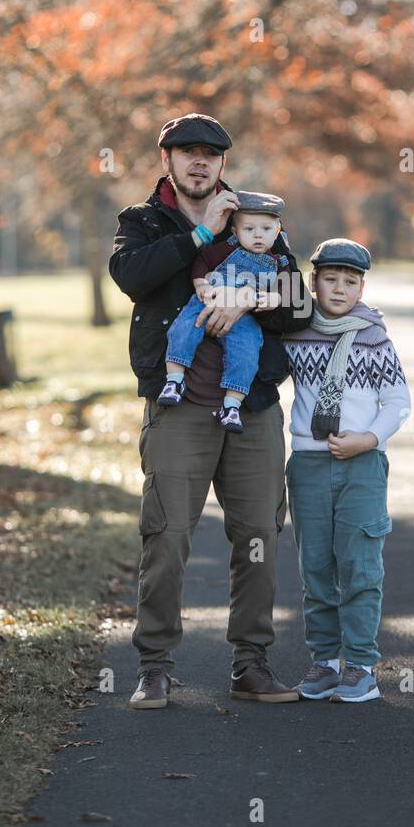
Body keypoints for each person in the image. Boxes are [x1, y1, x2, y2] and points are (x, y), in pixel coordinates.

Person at [109, 114, 313, 709]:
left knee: (258, 536)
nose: (199, 162)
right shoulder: (142, 221)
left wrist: (248, 296)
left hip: (249, 406)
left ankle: (251, 665)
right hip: (178, 405)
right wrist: (200, 238)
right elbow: (132, 276)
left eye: (210, 154)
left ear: (223, 163)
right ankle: (154, 667)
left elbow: (298, 306)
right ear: (166, 159)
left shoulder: (259, 221)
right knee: (167, 534)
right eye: (187, 152)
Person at [283, 240, 411, 703]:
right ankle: (325, 660)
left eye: (350, 282)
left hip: (362, 464)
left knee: (359, 565)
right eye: (330, 279)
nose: (339, 289)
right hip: (309, 463)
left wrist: (368, 439)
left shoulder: (374, 337)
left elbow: (398, 402)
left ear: (362, 287)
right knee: (315, 565)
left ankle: (359, 665)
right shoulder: (294, 333)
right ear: (313, 281)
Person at [158, 191, 287, 433]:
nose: (258, 235)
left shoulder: (279, 261)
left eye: (266, 229)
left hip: (246, 315)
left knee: (246, 352)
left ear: (277, 231)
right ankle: (174, 380)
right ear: (235, 233)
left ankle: (232, 405)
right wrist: (201, 284)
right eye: (249, 229)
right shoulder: (225, 249)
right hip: (211, 296)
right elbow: (202, 262)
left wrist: (274, 297)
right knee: (186, 327)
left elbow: (286, 289)